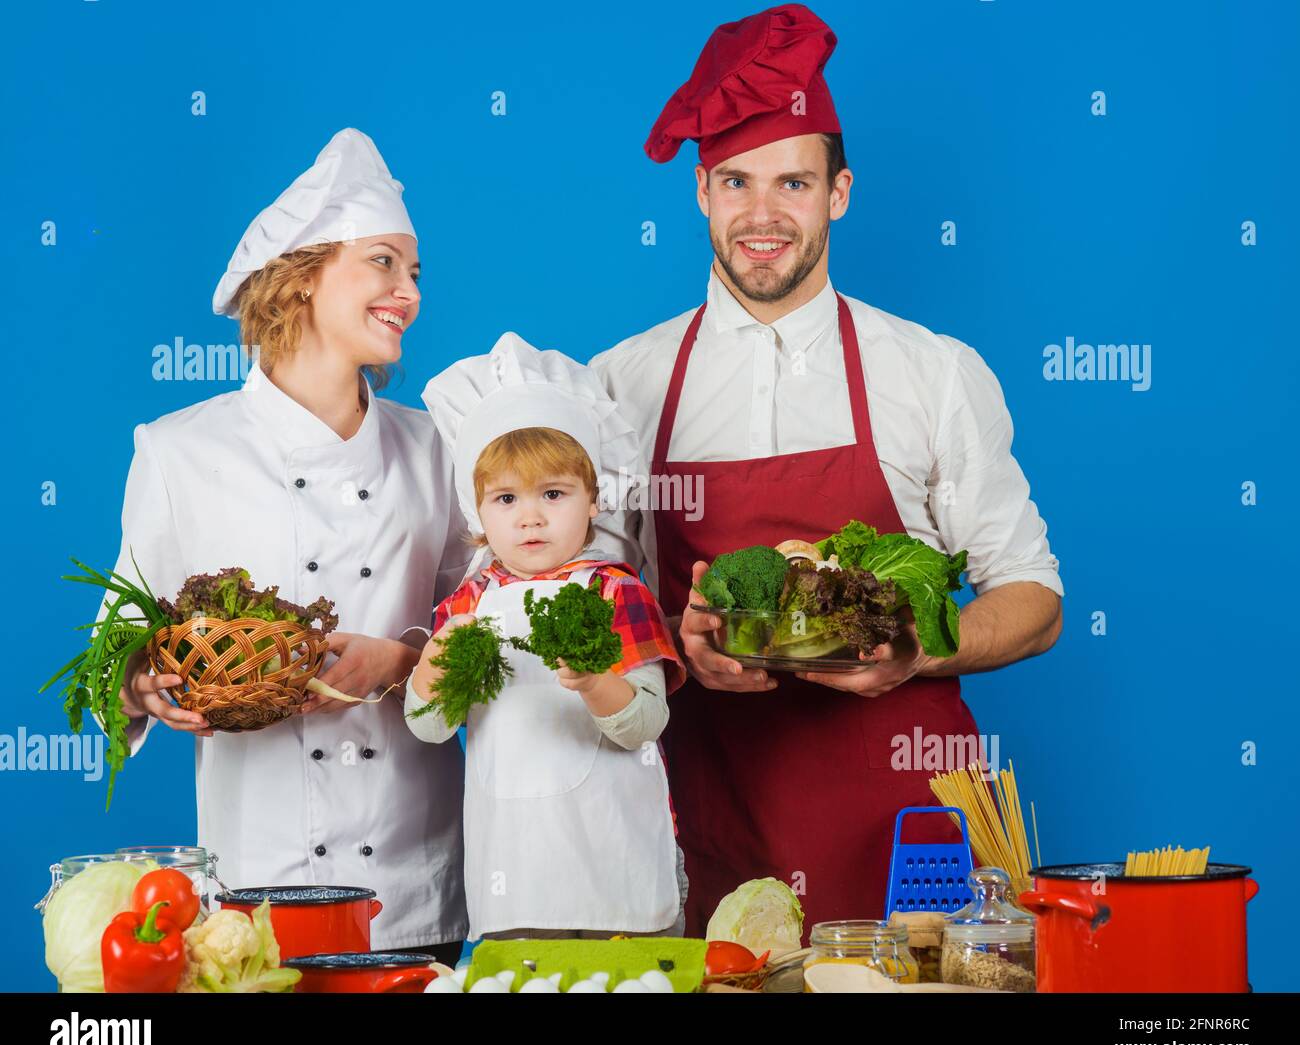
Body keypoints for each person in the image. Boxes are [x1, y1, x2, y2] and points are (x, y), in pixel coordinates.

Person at [589, 5, 1064, 934]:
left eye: (794, 182)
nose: (762, 215)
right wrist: (680, 655)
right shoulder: (622, 384)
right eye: (736, 181)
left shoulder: (932, 371)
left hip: (908, 839)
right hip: (706, 821)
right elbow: (595, 608)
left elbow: (1037, 600)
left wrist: (920, 651)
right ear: (701, 193)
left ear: (839, 192)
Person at [105, 129, 472, 962]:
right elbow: (110, 651)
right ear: (302, 277)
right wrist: (144, 684)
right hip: (253, 891)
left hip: (413, 890)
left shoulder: (438, 447)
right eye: (383, 263)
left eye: (414, 273)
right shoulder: (180, 452)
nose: (407, 291)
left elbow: (481, 629)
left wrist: (403, 660)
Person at [406, 332, 688, 940]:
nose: (530, 516)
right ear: (477, 512)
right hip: (513, 871)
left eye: (553, 494)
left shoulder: (617, 593)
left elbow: (645, 724)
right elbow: (429, 725)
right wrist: (430, 667)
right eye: (505, 498)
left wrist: (593, 683)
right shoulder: (465, 606)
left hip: (614, 855)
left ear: (594, 501)